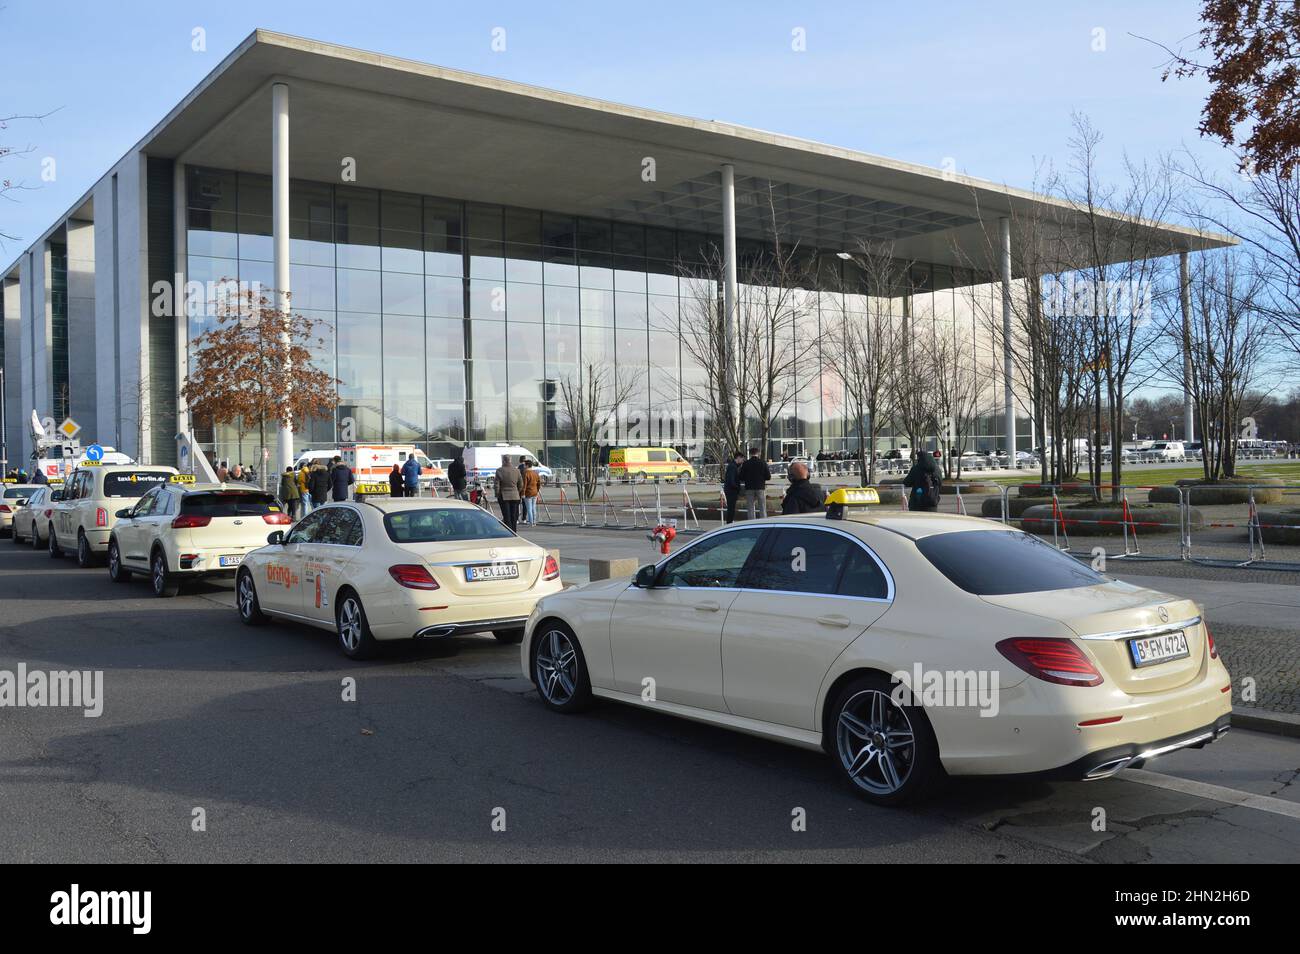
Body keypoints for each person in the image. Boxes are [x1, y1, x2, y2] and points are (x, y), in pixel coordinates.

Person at [738, 447, 771, 520]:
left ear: (750, 454)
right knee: (762, 506)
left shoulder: (746, 463)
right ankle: (763, 521)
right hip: (760, 487)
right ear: (758, 453)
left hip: (749, 487)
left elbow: (741, 477)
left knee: (750, 507)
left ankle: (751, 522)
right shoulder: (762, 463)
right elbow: (768, 476)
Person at [494, 454, 523, 532]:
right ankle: (514, 531)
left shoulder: (499, 470)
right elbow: (521, 484)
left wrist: (497, 494)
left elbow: (497, 484)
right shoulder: (517, 470)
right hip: (515, 495)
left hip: (504, 496)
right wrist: (517, 491)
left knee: (507, 516)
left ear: (503, 461)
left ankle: (509, 531)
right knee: (514, 515)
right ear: (510, 460)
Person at [722, 450, 743, 524]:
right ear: (738, 458)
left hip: (730, 490)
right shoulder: (733, 467)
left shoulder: (732, 466)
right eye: (741, 459)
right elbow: (731, 480)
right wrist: (737, 487)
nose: (742, 461)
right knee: (731, 508)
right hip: (731, 491)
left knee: (731, 508)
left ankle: (729, 522)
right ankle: (729, 523)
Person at [520, 458, 541, 525]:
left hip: (528, 493)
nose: (524, 466)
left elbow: (524, 484)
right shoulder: (535, 473)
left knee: (529, 508)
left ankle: (531, 522)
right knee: (533, 507)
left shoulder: (525, 473)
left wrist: (522, 493)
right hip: (534, 492)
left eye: (524, 465)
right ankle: (534, 521)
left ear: (527, 465)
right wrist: (537, 490)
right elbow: (539, 483)